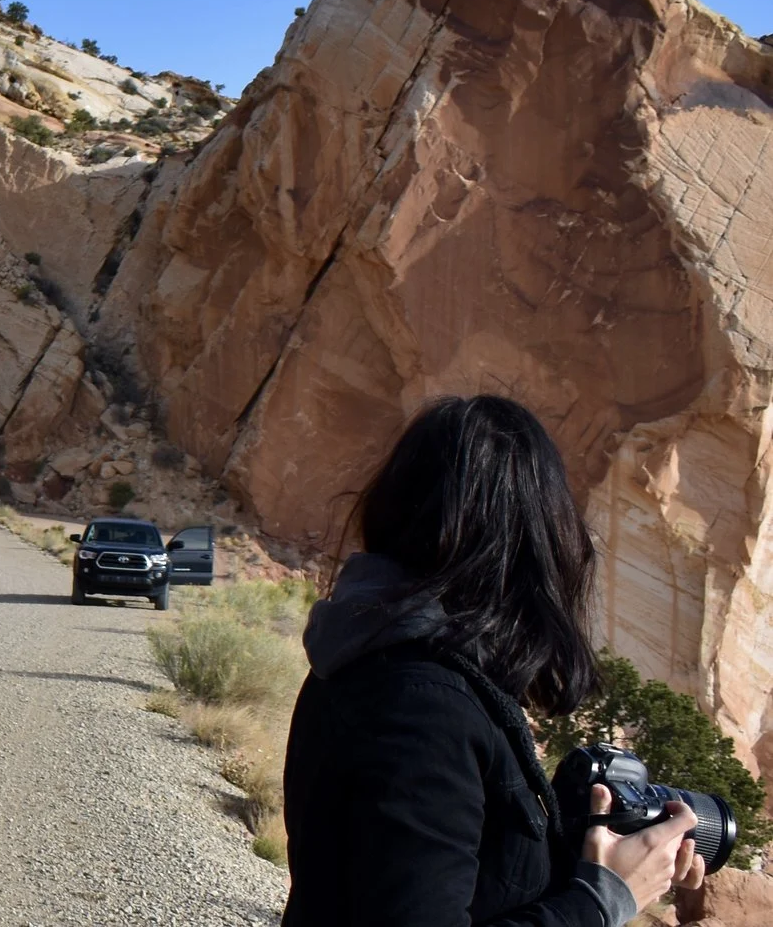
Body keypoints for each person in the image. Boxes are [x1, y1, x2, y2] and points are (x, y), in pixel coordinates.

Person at [283, 395, 705, 926]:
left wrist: (594, 856)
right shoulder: (423, 707)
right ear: (533, 548)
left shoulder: (369, 660)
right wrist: (603, 899)